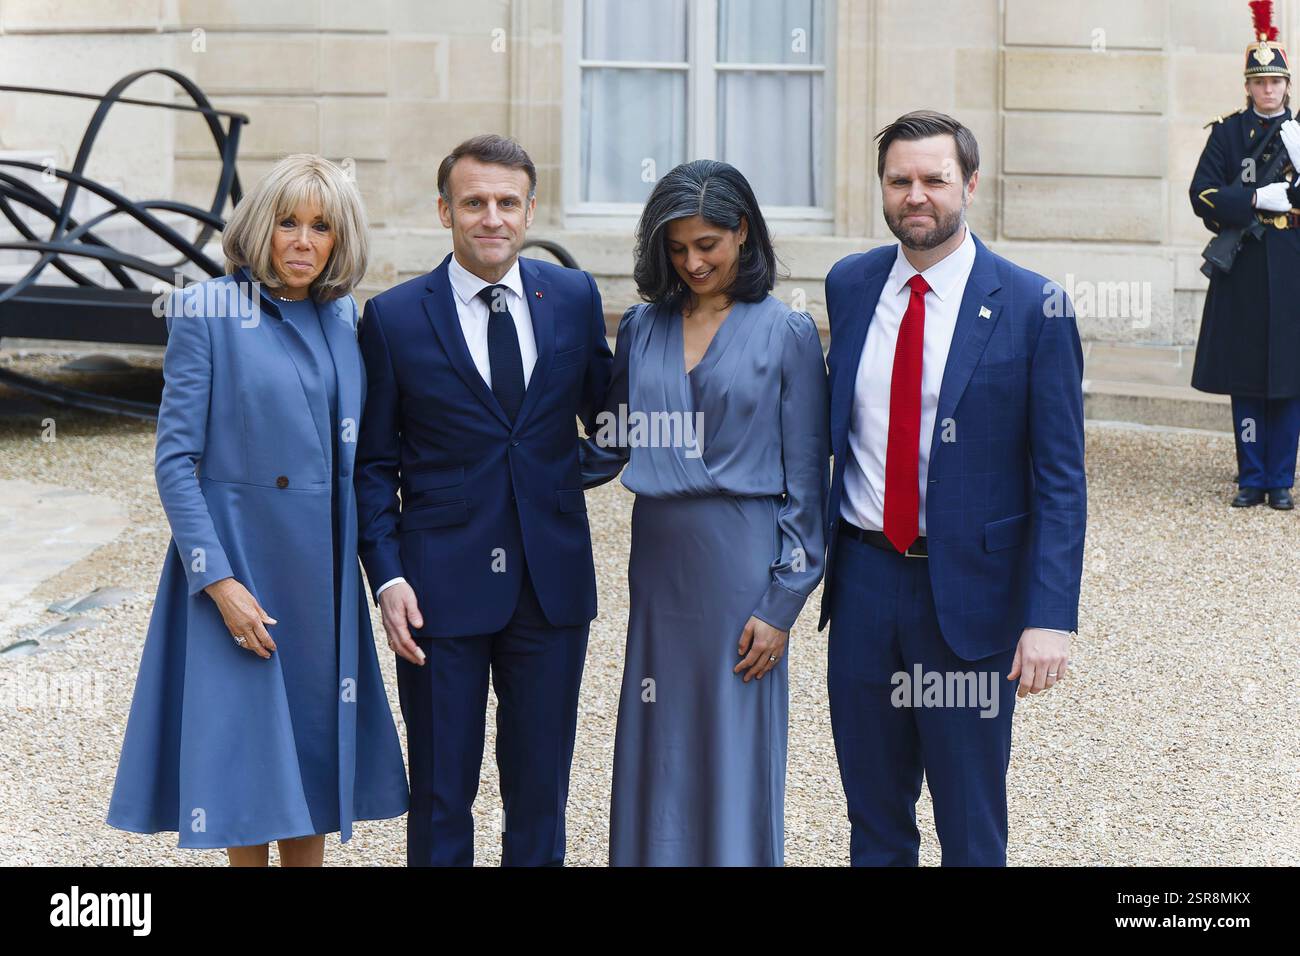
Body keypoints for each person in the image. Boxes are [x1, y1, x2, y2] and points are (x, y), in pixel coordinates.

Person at [106, 154, 409, 865]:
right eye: (287, 222)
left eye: (321, 226)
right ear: (259, 227)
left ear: (340, 239)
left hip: (323, 577)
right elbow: (175, 461)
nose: (302, 241)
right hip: (239, 566)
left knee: (312, 757)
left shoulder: (343, 316)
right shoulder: (206, 310)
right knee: (245, 770)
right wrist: (218, 582)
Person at [820, 111, 1086, 866]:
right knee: (873, 818)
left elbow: (1061, 480)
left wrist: (1049, 617)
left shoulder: (1034, 307)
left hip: (970, 598)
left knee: (969, 825)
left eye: (934, 179)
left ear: (969, 184)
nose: (916, 196)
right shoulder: (851, 285)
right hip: (863, 582)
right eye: (899, 180)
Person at [354, 134, 614, 866]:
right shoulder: (395, 318)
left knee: (540, 792)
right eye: (474, 202)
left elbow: (613, 416)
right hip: (436, 591)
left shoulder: (573, 297)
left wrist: (559, 476)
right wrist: (388, 579)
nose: (491, 218)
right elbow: (372, 465)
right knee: (441, 792)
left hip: (551, 587)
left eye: (507, 202)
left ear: (530, 209)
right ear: (445, 211)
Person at [581, 159, 829, 866]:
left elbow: (807, 484)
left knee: (733, 743)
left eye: (707, 245)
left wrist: (783, 602)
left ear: (743, 231)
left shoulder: (787, 332)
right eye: (677, 247)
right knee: (659, 738)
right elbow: (608, 448)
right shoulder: (642, 328)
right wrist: (500, 467)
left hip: (741, 571)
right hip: (660, 569)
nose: (692, 262)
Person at [1189, 1, 1299, 510]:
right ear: (1248, 86)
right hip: (1246, 265)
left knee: (1290, 376)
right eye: (1260, 82)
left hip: (1293, 263)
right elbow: (1202, 194)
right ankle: (1251, 476)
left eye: (1276, 81)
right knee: (1247, 375)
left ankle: (1281, 479)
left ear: (1287, 85)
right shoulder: (1229, 133)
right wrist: (1254, 198)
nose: (1268, 90)